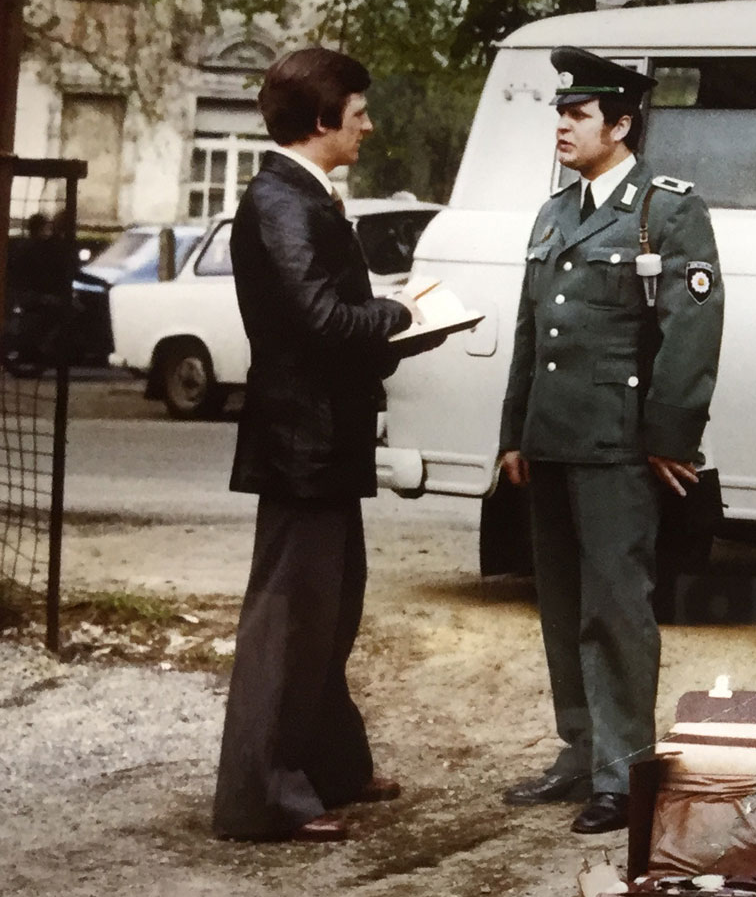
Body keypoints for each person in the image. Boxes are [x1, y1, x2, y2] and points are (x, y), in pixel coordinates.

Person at [212, 47, 444, 843]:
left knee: (329, 614)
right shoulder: (283, 201)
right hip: (301, 447)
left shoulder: (301, 196)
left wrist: (398, 328)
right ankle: (261, 798)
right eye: (358, 113)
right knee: (289, 624)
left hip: (321, 444)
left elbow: (328, 327)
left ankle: (332, 769)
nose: (369, 126)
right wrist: (400, 316)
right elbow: (320, 322)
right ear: (321, 121)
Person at [496, 46, 725, 836]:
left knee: (617, 610)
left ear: (621, 124)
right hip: (554, 440)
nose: (562, 125)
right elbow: (532, 330)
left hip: (618, 446)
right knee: (561, 605)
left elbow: (691, 331)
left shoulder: (667, 209)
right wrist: (514, 433)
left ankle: (624, 772)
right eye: (560, 111)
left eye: (579, 113)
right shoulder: (554, 212)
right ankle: (580, 751)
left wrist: (670, 438)